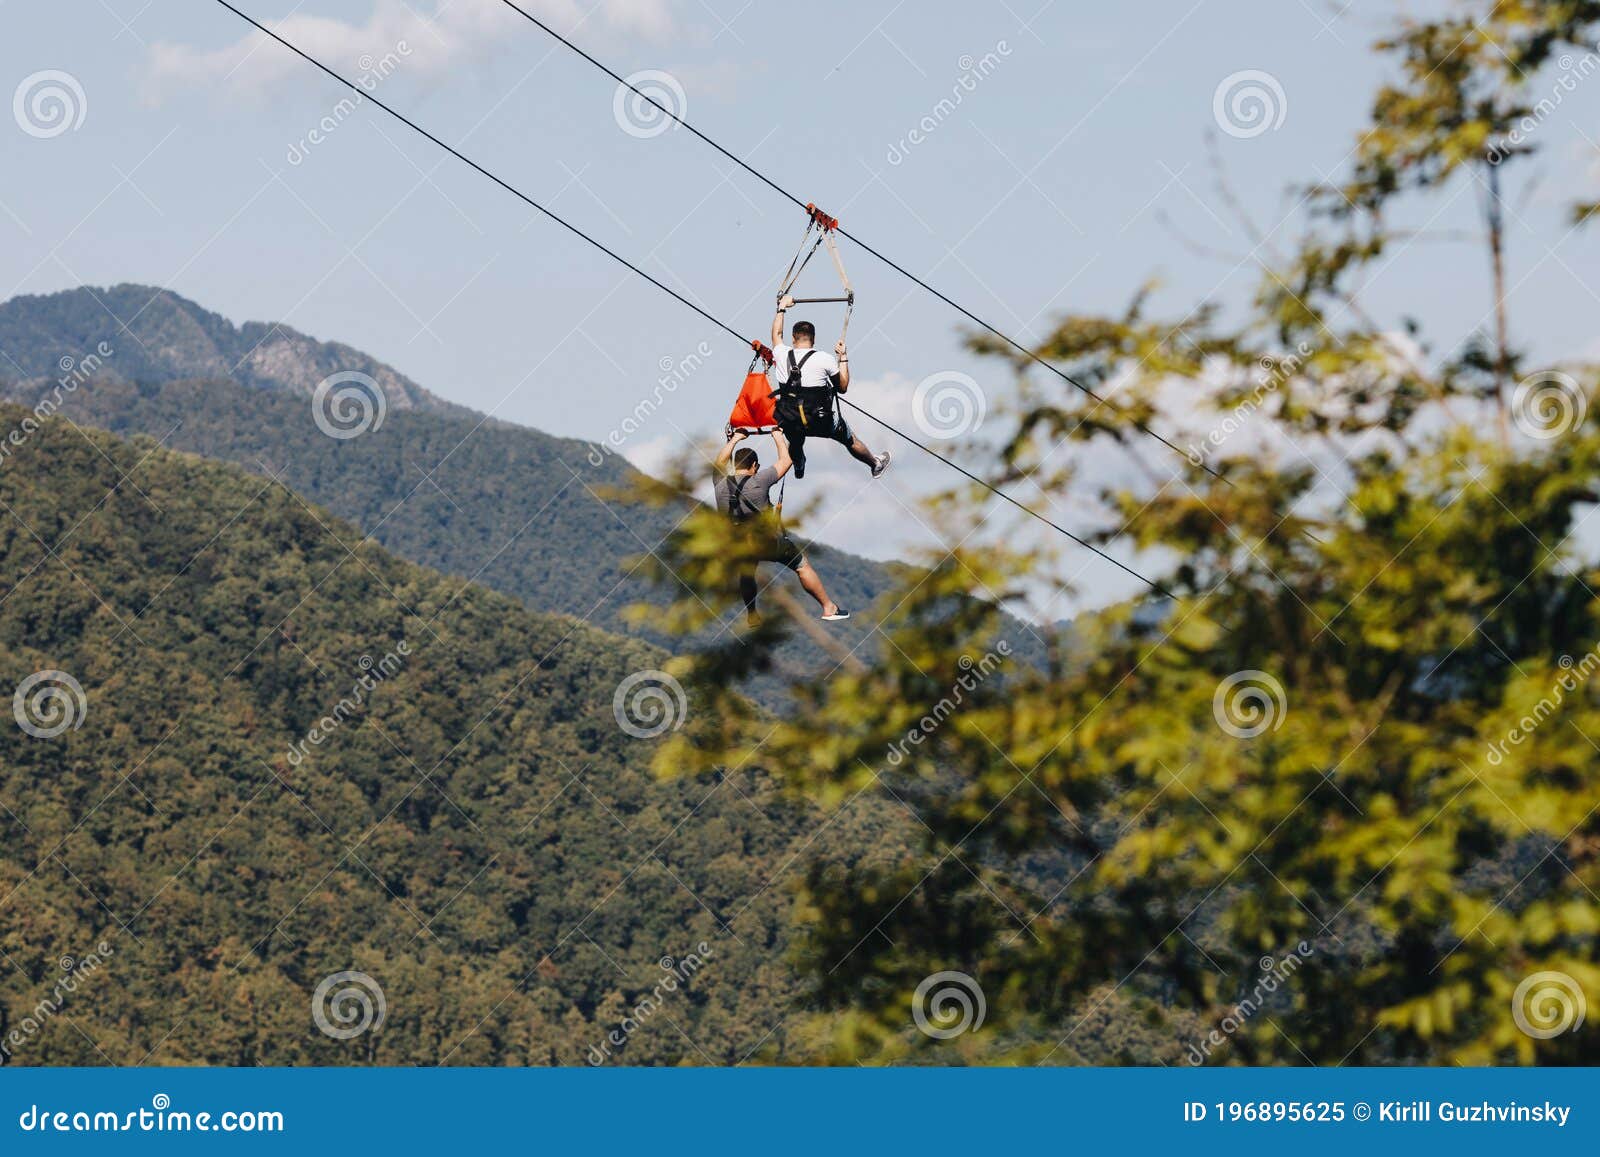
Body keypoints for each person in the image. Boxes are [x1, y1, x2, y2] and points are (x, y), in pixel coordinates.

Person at [713, 429, 850, 626]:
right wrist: (777, 435)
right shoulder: (759, 480)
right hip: (769, 544)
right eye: (756, 467)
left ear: (735, 465)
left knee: (747, 571)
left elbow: (719, 461)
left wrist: (735, 439)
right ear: (754, 466)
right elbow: (786, 460)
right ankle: (829, 608)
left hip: (738, 547)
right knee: (802, 565)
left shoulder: (718, 484)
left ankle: (752, 614)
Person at [770, 295, 890, 481]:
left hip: (791, 420)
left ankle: (799, 461)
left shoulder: (781, 354)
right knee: (849, 439)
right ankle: (875, 464)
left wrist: (782, 308)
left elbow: (776, 335)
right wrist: (843, 357)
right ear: (814, 339)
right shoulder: (824, 359)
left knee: (794, 438)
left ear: (793, 338)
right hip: (821, 421)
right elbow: (842, 387)